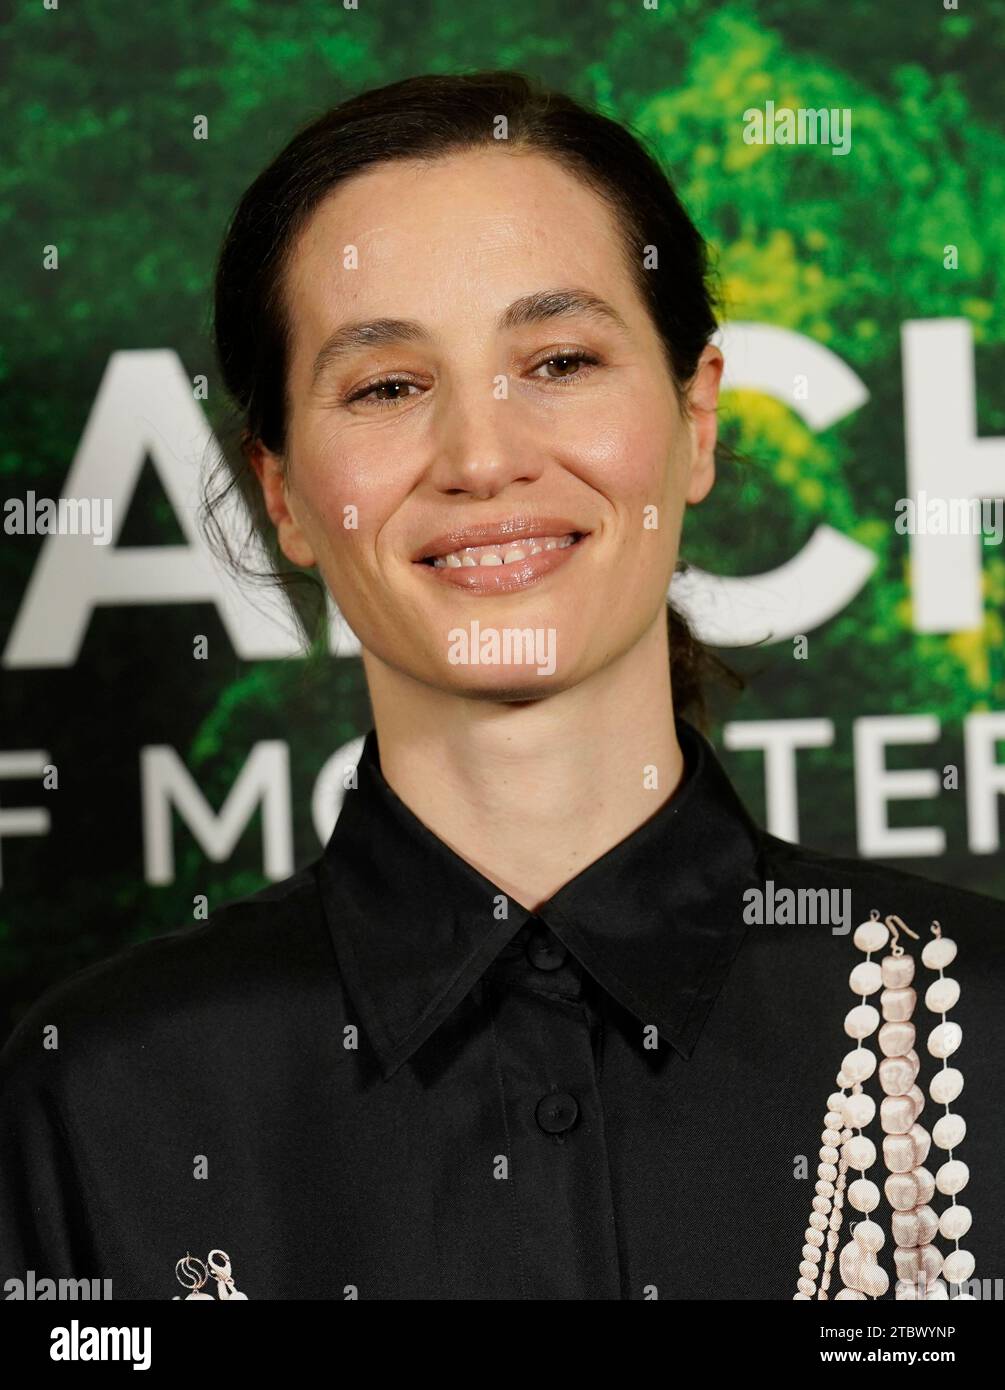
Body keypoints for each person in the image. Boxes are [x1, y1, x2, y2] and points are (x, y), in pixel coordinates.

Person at [2, 71, 1002, 1302]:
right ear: (283, 493)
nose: (482, 457)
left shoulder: (982, 1023)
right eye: (387, 386)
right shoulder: (99, 1101)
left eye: (561, 359)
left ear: (695, 417)